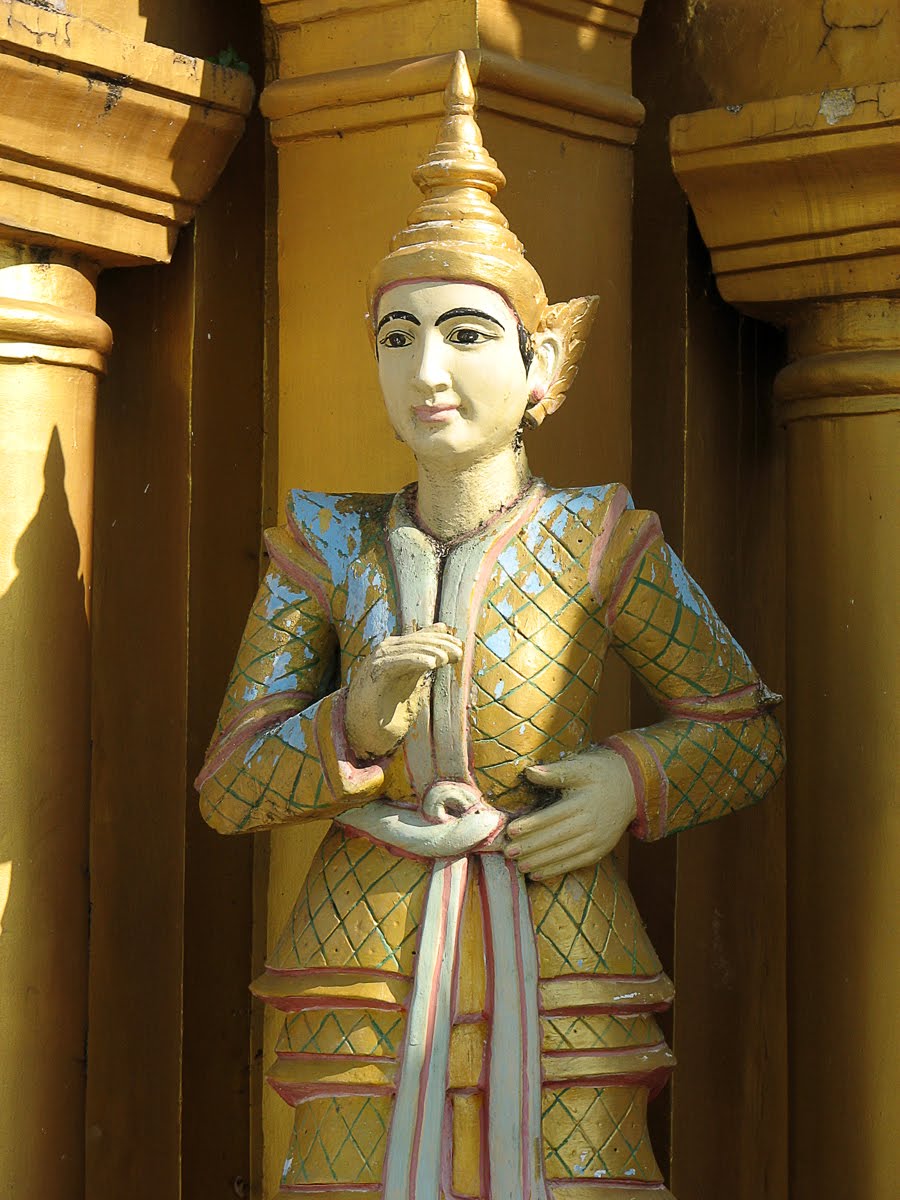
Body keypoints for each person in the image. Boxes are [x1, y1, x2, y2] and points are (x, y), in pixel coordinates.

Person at [197, 53, 784, 1200]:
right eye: (397, 336)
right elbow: (229, 785)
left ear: (542, 360)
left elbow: (743, 726)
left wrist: (626, 782)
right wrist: (349, 731)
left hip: (560, 946)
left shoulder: (598, 540)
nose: (428, 371)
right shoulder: (325, 545)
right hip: (363, 962)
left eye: (467, 335)